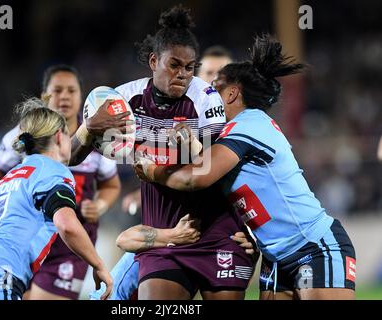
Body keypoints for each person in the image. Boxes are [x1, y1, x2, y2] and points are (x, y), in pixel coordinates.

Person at [136, 34, 356, 300]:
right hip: (275, 257)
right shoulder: (229, 132)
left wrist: (151, 171)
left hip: (312, 244)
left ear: (231, 94)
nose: (204, 94)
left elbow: (197, 179)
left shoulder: (250, 123)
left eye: (213, 88)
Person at [75, 5, 255, 300]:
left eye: (189, 67)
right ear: (154, 60)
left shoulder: (204, 98)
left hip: (217, 233)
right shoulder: (123, 100)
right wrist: (88, 128)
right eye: (174, 65)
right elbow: (71, 158)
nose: (183, 74)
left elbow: (210, 172)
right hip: (163, 237)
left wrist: (252, 228)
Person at [0, 99, 113, 300]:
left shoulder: (13, 174)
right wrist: (99, 265)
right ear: (59, 137)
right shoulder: (53, 169)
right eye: (68, 134)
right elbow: (66, 224)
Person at [0, 65, 121, 300]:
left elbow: (111, 185)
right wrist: (18, 205)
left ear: (81, 96)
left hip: (70, 245)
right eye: (57, 90)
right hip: (28, 240)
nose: (64, 96)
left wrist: (99, 206)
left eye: (71, 90)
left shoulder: (99, 138)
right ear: (44, 96)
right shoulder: (23, 135)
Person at [121, 45, 233, 216]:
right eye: (210, 73)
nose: (215, 81)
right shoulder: (181, 109)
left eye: (223, 75)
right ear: (198, 76)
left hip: (219, 216)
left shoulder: (239, 125)